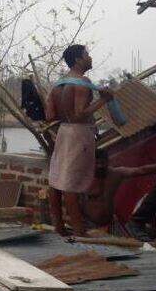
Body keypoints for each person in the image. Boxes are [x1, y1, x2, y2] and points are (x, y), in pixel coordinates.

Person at [45, 44, 113, 236]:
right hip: (79, 133)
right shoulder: (82, 82)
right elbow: (78, 115)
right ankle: (79, 231)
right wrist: (104, 100)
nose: (90, 58)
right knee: (71, 183)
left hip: (64, 132)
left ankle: (59, 228)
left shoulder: (57, 84)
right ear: (78, 60)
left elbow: (50, 116)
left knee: (56, 180)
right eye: (87, 55)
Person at [80, 150, 156, 233]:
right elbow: (71, 200)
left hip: (111, 224)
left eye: (103, 163)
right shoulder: (83, 178)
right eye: (96, 163)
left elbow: (141, 170)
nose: (100, 166)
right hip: (88, 224)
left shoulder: (116, 173)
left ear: (108, 161)